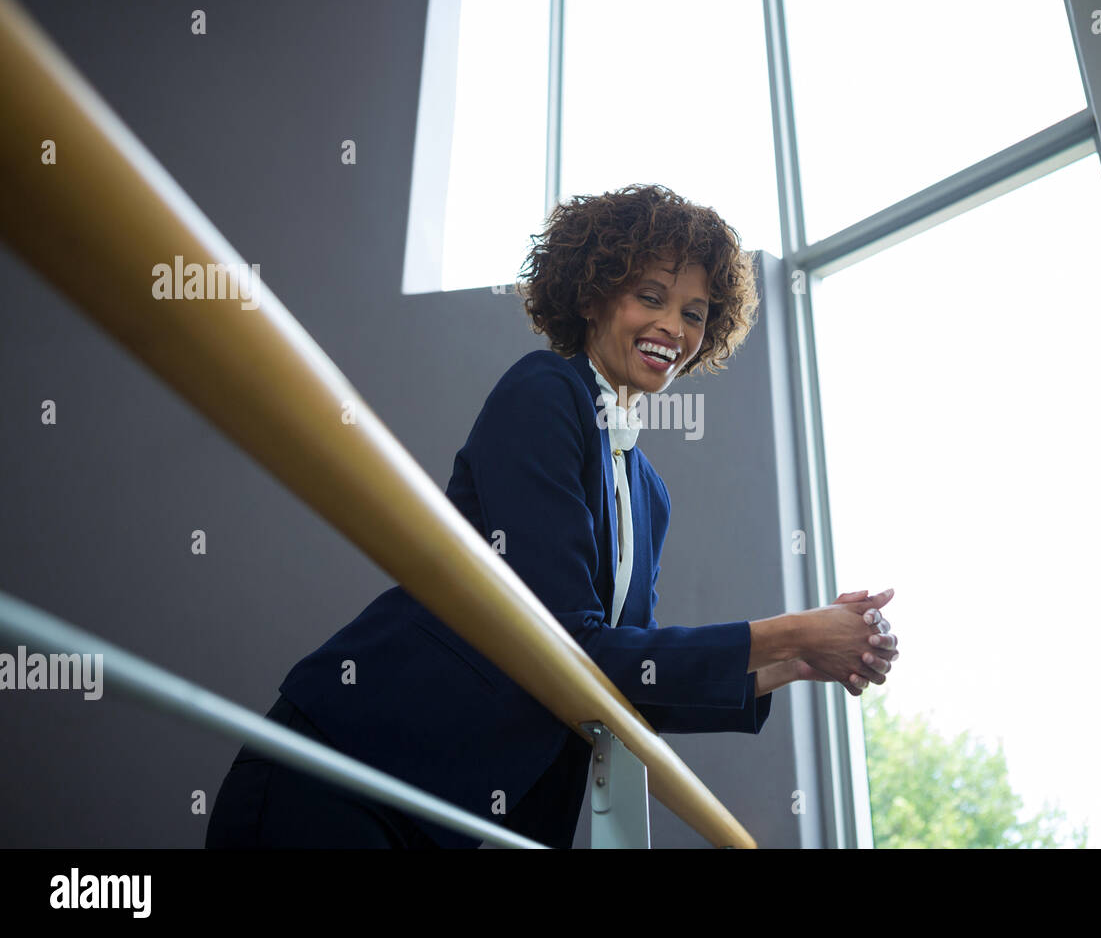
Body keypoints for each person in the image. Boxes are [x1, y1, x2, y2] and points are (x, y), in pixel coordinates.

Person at [205, 183, 899, 849]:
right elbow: (573, 641)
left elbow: (627, 686)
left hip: (439, 816)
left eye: (693, 313)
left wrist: (798, 658)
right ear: (593, 296)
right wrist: (789, 631)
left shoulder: (648, 492)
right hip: (346, 771)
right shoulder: (545, 392)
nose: (672, 326)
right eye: (650, 296)